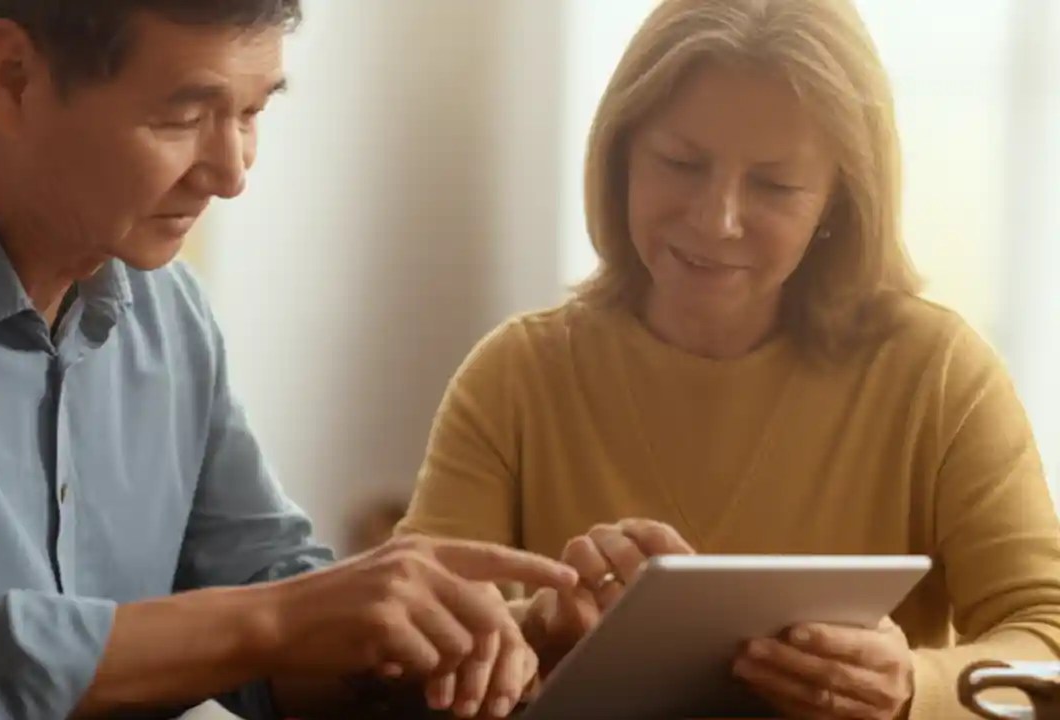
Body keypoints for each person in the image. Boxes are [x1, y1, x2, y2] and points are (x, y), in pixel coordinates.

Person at [0, 2, 580, 719]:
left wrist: (496, 645)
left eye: (254, 113)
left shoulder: (170, 312)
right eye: (183, 116)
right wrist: (274, 622)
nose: (231, 175)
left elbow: (286, 630)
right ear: (14, 76)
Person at [398, 0, 1060, 717]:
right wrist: (542, 633)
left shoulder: (937, 374)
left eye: (774, 186)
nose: (717, 219)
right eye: (681, 164)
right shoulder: (517, 377)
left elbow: (1049, 641)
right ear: (620, 156)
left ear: (839, 198)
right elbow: (398, 647)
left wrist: (914, 692)